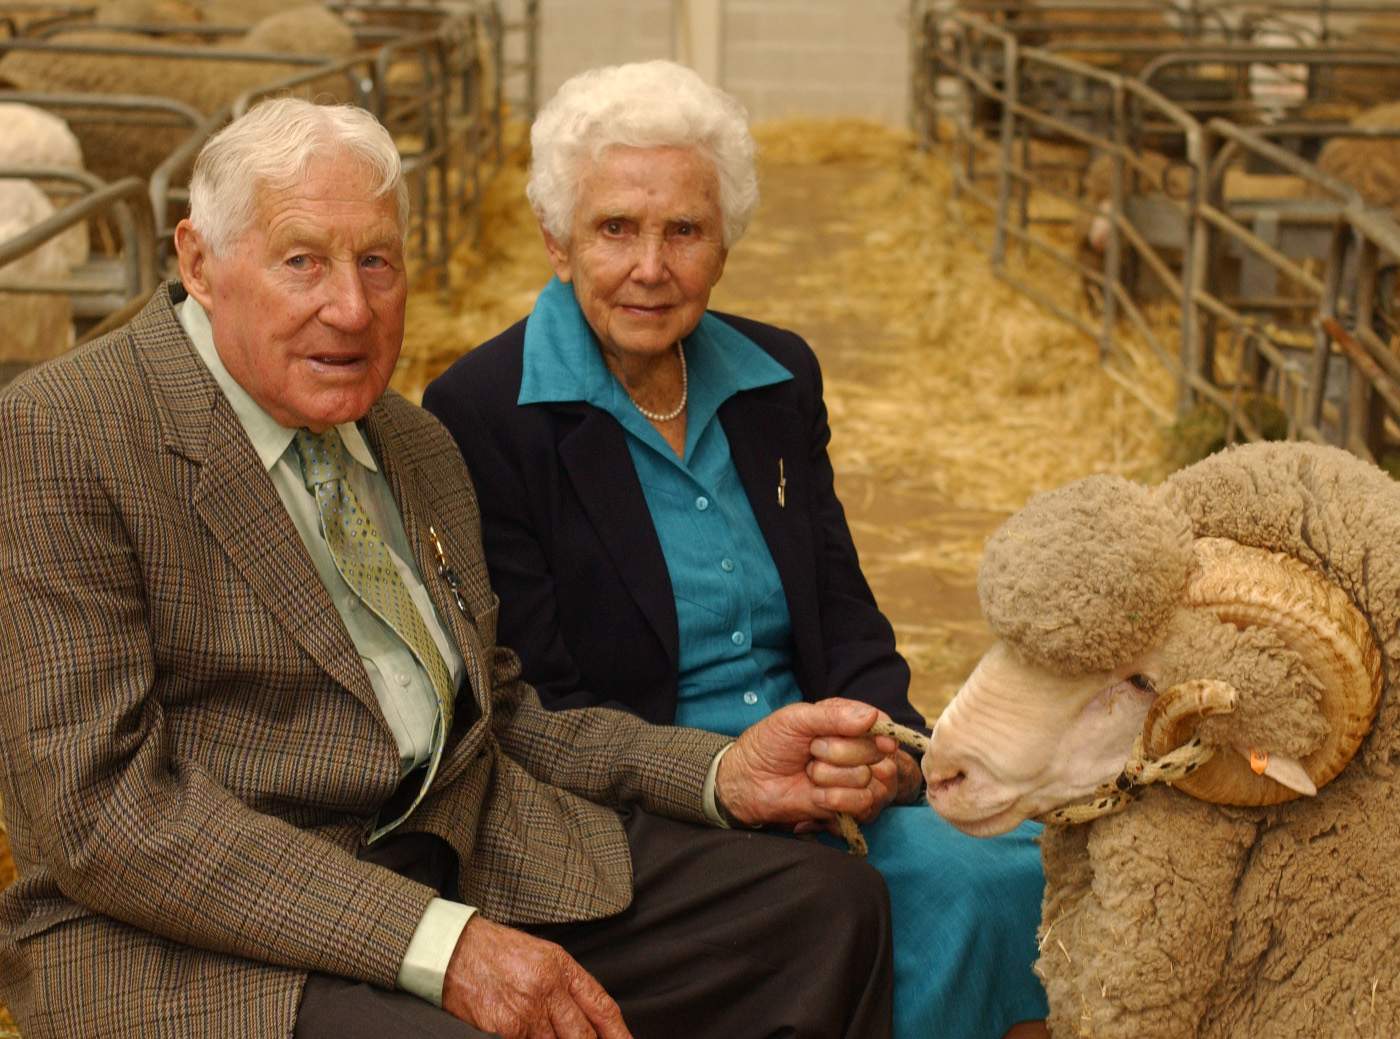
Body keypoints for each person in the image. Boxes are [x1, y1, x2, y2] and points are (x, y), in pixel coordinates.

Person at [0, 97, 906, 1039]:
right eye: (302, 260)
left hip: (462, 848)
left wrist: (721, 771)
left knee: (827, 909)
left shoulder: (413, 441)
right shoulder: (66, 432)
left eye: (377, 262)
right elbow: (102, 812)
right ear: (198, 261)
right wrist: (440, 943)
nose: (351, 309)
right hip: (213, 935)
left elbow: (501, 714)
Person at [422, 61, 1051, 1039]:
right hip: (653, 812)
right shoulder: (481, 411)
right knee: (919, 895)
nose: (651, 266)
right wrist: (730, 778)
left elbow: (842, 613)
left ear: (725, 243)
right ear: (556, 241)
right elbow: (536, 706)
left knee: (1029, 857)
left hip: (829, 787)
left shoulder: (777, 377)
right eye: (614, 228)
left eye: (684, 230)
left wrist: (883, 750)